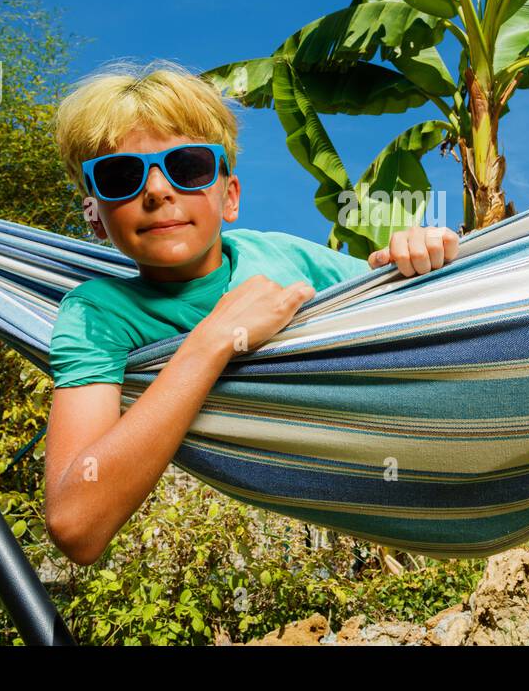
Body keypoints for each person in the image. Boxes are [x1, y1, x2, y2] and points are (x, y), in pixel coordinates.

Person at [43, 62, 459, 565]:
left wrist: (415, 260)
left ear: (230, 197)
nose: (155, 190)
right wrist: (216, 337)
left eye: (188, 166)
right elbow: (76, 525)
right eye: (120, 176)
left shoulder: (287, 257)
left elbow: (414, 316)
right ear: (96, 219)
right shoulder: (96, 315)